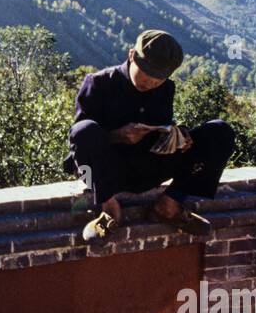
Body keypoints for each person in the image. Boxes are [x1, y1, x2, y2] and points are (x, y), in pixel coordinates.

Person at [62, 29, 236, 242]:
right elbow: (79, 142)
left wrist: (177, 138)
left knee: (220, 132)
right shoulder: (99, 83)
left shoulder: (166, 89)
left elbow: (162, 127)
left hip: (148, 167)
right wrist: (116, 136)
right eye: (146, 75)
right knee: (83, 131)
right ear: (131, 55)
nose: (150, 83)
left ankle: (169, 204)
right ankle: (109, 209)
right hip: (106, 173)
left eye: (158, 79)